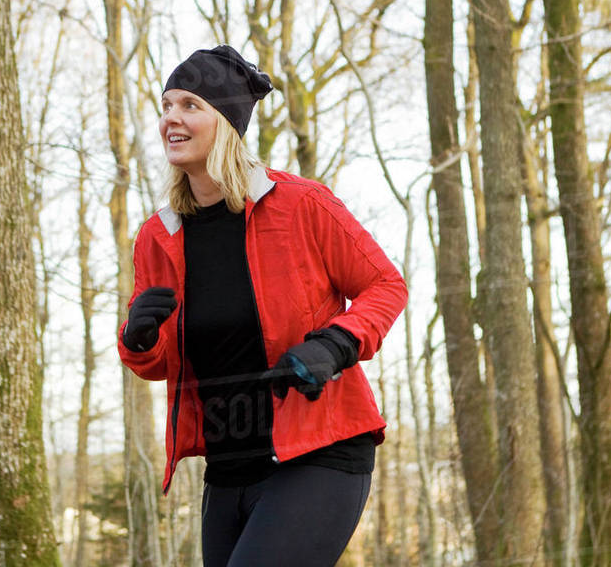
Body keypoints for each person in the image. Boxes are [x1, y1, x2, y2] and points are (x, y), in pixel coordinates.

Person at [117, 44, 407, 567]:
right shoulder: (158, 237)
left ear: (225, 122)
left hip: (317, 454)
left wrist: (335, 345)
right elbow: (159, 363)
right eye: (166, 106)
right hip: (227, 469)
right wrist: (137, 338)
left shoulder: (301, 205)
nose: (170, 119)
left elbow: (385, 285)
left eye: (189, 105)